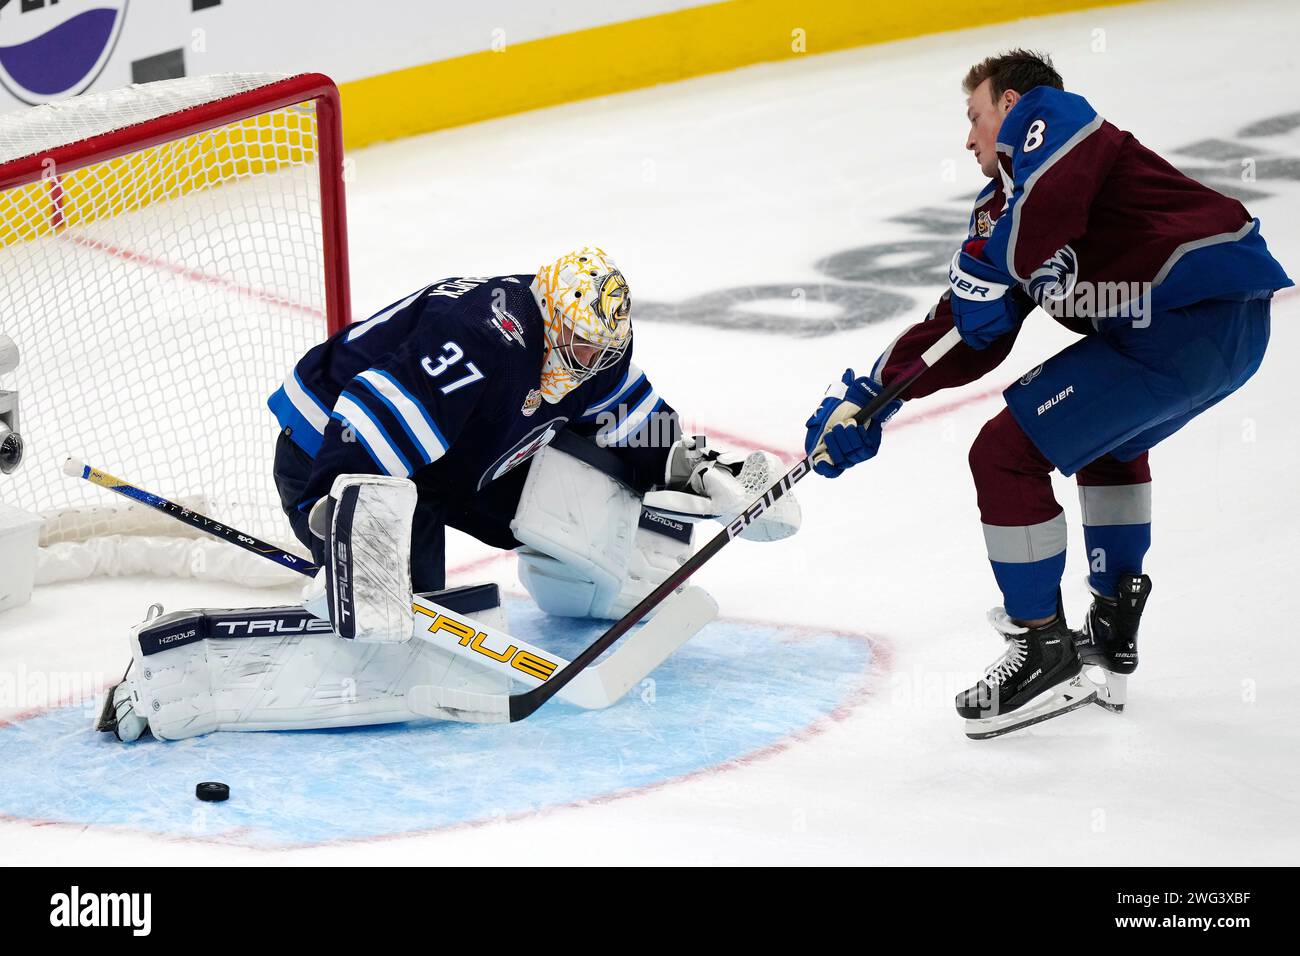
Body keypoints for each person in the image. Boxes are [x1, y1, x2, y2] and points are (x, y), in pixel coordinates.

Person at [95, 247, 799, 741]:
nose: (588, 363)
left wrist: (705, 473)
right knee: (388, 641)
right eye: (580, 348)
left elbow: (633, 420)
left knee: (583, 471)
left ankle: (605, 575)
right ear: (551, 315)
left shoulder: (586, 344)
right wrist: (350, 520)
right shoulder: (486, 334)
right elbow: (375, 411)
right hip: (342, 457)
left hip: (455, 458)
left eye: (601, 352)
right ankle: (180, 677)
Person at [804, 50, 1291, 739]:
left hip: (1186, 320)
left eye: (974, 116)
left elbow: (1035, 224)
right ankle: (1113, 617)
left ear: (1009, 104)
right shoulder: (1007, 206)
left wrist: (989, 270)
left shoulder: (1052, 118)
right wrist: (874, 396)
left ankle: (1042, 646)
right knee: (1107, 446)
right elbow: (970, 331)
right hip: (1219, 334)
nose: (968, 137)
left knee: (1003, 454)